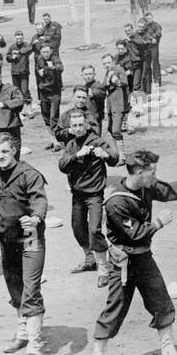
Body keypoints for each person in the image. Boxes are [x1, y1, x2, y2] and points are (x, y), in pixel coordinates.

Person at [90, 149, 177, 355]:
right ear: (138, 172)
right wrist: (157, 223)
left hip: (143, 258)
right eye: (152, 172)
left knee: (162, 303)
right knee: (115, 309)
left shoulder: (146, 185)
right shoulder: (117, 202)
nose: (155, 176)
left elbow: (168, 189)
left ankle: (168, 354)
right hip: (124, 263)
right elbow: (135, 234)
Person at [0, 133, 50, 355]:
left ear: (14, 150)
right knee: (15, 286)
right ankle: (23, 334)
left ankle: (35, 346)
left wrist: (35, 217)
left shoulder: (29, 174)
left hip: (30, 238)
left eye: (5, 151)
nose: (1, 156)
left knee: (31, 288)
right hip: (7, 240)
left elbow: (39, 200)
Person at [58, 107, 119, 285]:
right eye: (74, 126)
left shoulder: (97, 141)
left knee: (94, 229)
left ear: (86, 124)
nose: (77, 129)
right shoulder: (71, 145)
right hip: (77, 194)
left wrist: (105, 154)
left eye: (80, 125)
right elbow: (62, 165)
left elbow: (115, 158)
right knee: (77, 227)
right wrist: (77, 155)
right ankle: (89, 257)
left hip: (94, 194)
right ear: (70, 127)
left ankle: (102, 266)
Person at [34, 43, 64, 148]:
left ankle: (56, 141)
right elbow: (37, 78)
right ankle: (51, 139)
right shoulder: (39, 60)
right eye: (43, 52)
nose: (46, 54)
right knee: (46, 117)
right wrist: (38, 97)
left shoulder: (55, 58)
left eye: (47, 52)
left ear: (50, 51)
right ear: (40, 52)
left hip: (54, 92)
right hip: (43, 92)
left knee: (53, 117)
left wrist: (53, 67)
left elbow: (61, 67)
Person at [100, 52, 130, 140]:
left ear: (113, 62)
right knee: (110, 129)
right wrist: (109, 79)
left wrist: (117, 81)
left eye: (108, 62)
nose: (106, 65)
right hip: (110, 105)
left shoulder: (119, 69)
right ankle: (115, 151)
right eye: (104, 63)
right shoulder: (108, 73)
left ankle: (121, 153)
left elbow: (125, 83)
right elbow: (103, 86)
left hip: (118, 103)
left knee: (116, 130)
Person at [6, 31, 33, 106]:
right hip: (15, 72)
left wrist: (19, 52)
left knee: (25, 91)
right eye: (17, 38)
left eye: (20, 38)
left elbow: (30, 48)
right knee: (17, 91)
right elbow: (7, 58)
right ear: (15, 38)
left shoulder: (26, 45)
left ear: (23, 38)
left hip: (24, 72)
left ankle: (29, 107)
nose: (19, 40)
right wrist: (12, 57)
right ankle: (20, 109)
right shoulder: (12, 47)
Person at [131, 17, 155, 95]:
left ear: (145, 26)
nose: (140, 28)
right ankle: (142, 92)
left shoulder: (147, 34)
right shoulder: (136, 34)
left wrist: (135, 40)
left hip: (147, 57)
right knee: (140, 74)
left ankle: (147, 92)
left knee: (146, 74)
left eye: (142, 26)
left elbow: (145, 43)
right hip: (139, 57)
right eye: (139, 26)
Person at [143, 11, 164, 86]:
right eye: (147, 19)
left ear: (152, 17)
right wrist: (150, 38)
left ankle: (157, 80)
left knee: (155, 63)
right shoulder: (144, 27)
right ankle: (149, 80)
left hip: (154, 47)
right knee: (147, 64)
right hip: (146, 47)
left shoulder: (156, 25)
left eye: (150, 18)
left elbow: (159, 33)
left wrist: (154, 37)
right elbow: (143, 35)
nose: (149, 20)